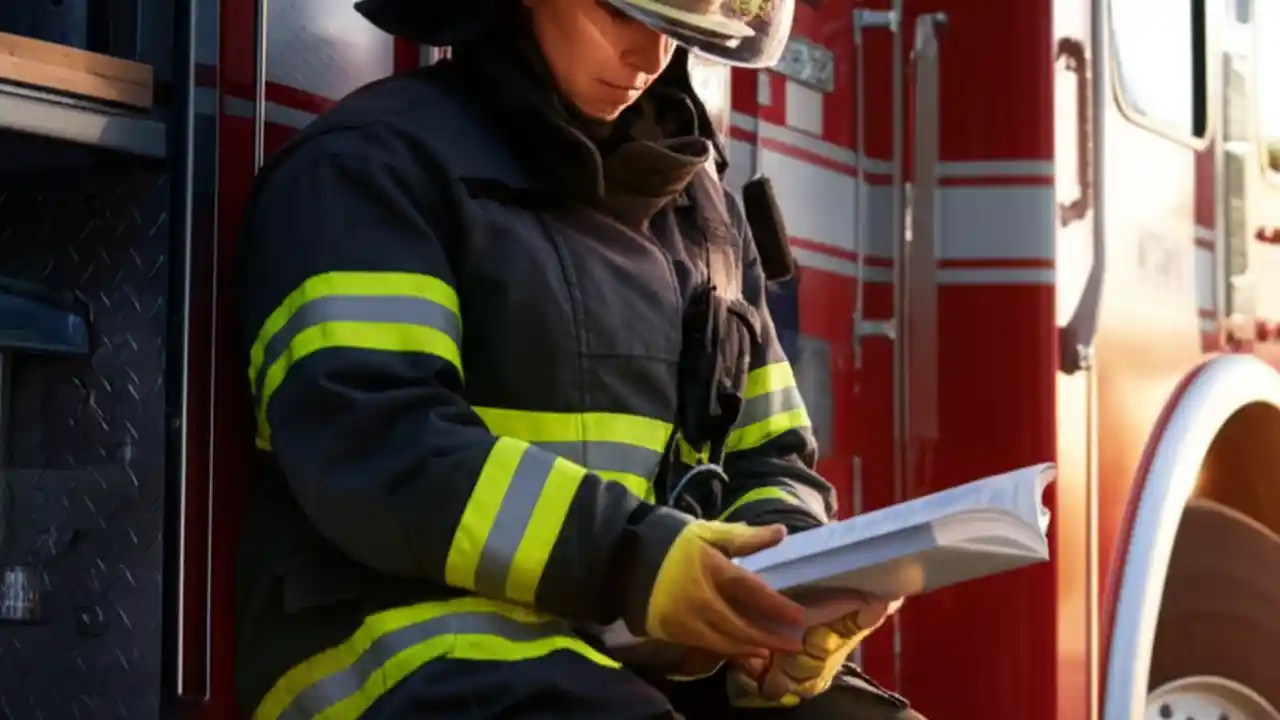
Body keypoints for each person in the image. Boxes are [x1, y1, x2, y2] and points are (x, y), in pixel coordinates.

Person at [231, 0, 925, 717]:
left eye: (676, 27)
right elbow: (378, 443)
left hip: (631, 650)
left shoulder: (706, 219)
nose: (652, 55)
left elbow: (770, 456)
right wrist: (634, 561)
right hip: (404, 650)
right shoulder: (370, 169)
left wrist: (787, 595)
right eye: (624, 15)